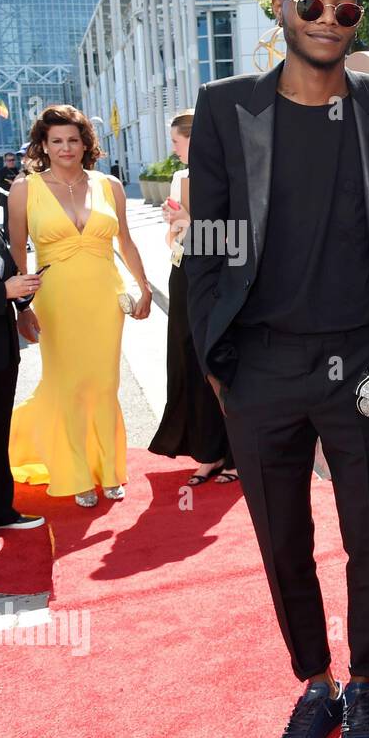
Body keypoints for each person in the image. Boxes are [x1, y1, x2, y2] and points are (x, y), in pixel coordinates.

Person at [184, 0, 369, 738]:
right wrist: (216, 360)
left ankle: (363, 682)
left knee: (368, 534)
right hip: (261, 364)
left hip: (361, 361)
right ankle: (313, 680)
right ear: (278, 5)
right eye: (309, 3)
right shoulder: (225, 107)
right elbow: (205, 243)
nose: (327, 18)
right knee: (281, 539)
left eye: (344, 7)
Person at [7, 105, 152, 507]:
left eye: (73, 139)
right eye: (57, 141)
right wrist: (23, 307)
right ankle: (73, 475)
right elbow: (17, 251)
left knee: (105, 385)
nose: (66, 148)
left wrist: (145, 287)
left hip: (105, 296)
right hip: (55, 299)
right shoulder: (25, 188)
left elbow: (125, 240)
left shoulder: (109, 185)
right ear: (43, 145)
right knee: (68, 386)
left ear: (85, 142)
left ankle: (109, 470)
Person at [147, 109, 234, 486]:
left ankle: (235, 454)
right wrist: (179, 225)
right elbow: (176, 242)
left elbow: (235, 243)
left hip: (224, 280)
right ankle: (208, 451)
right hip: (185, 274)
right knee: (189, 361)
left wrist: (189, 224)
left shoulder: (233, 177)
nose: (174, 149)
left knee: (223, 364)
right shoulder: (179, 179)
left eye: (176, 141)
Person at [0, 221, 45, 553]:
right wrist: (2, 293)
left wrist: (24, 297)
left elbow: (7, 274)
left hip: (2, 353)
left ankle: (0, 510)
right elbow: (1, 287)